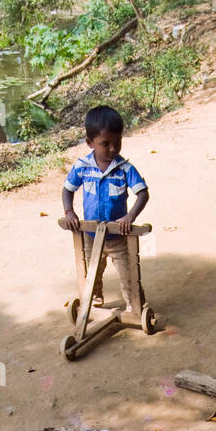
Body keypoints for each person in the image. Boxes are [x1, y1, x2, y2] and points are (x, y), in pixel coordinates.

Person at [62, 105, 149, 311]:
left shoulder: (125, 168)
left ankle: (136, 304)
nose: (112, 149)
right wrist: (69, 211)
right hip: (91, 235)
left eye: (117, 142)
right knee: (91, 272)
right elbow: (67, 190)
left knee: (128, 273)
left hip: (118, 236)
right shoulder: (82, 167)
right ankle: (94, 299)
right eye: (105, 144)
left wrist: (130, 216)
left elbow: (143, 193)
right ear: (90, 143)